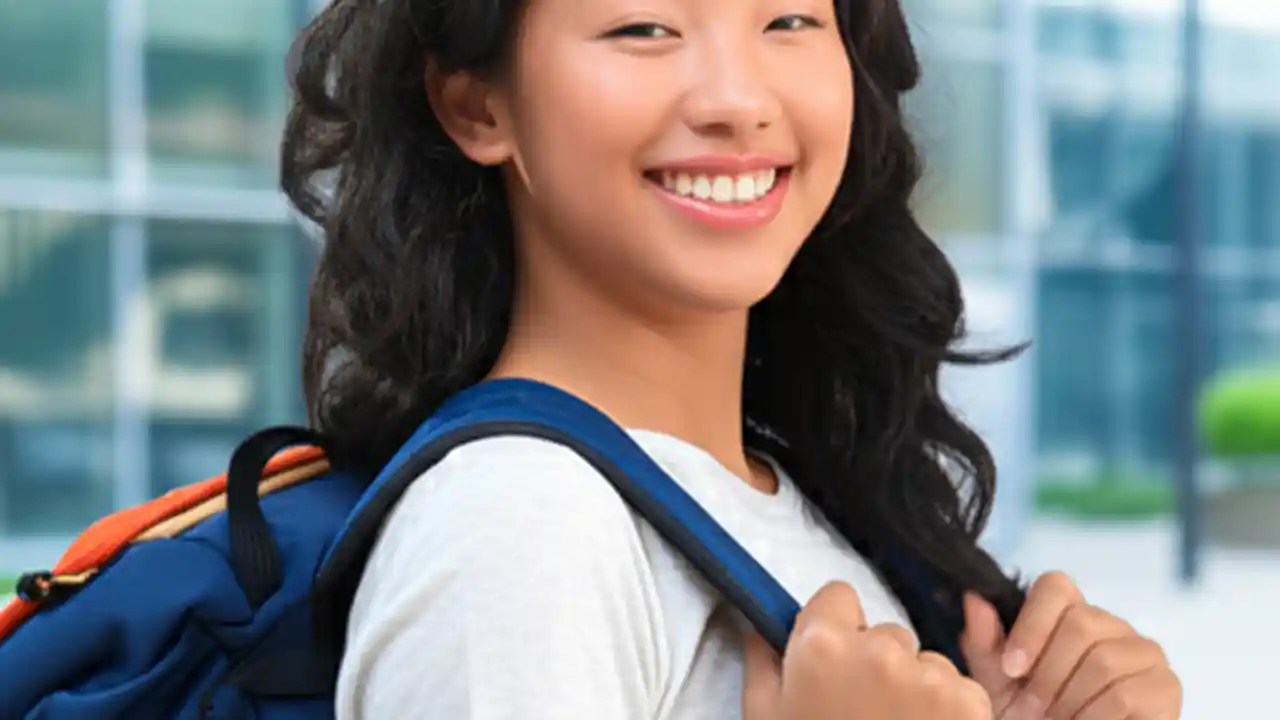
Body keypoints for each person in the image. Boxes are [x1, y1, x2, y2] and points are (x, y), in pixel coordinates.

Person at [281, 0, 1183, 718]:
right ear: (477, 106)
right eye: (644, 28)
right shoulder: (518, 528)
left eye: (789, 20)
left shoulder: (803, 493)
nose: (738, 99)